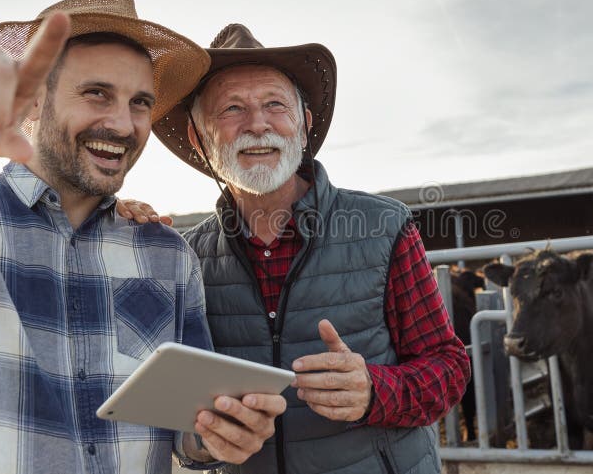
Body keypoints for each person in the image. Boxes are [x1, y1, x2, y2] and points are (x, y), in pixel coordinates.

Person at [0, 0, 285, 474]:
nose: (121, 124)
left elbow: (189, 430)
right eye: (96, 93)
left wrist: (222, 436)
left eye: (140, 103)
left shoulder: (167, 254)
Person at [146, 23, 471, 473]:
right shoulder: (183, 257)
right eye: (232, 109)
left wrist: (376, 391)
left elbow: (449, 367)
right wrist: (204, 443)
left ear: (304, 123)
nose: (257, 124)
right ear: (199, 138)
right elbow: (175, 420)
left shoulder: (385, 227)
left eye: (275, 104)